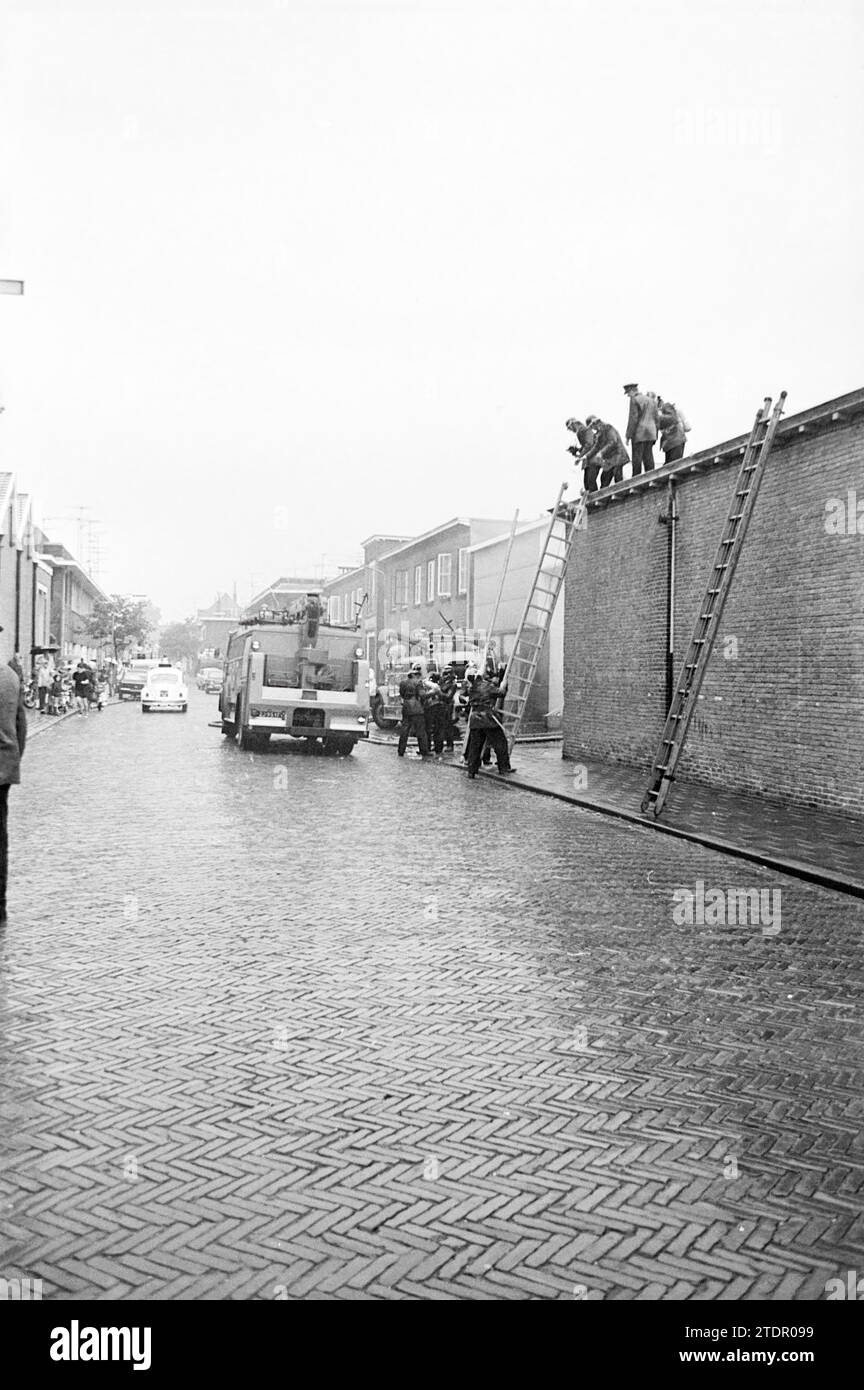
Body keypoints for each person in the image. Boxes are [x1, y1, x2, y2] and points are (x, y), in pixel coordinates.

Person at [0, 659, 27, 923]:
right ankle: (0, 905)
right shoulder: (10, 676)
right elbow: (21, 725)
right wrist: (12, 760)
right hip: (3, 769)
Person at [464, 671, 514, 778]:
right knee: (500, 743)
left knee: (475, 746)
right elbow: (501, 693)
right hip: (487, 718)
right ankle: (503, 768)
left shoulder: (472, 687)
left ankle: (471, 771)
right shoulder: (487, 686)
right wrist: (503, 685)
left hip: (475, 719)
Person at [582, 416, 629, 488]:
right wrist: (586, 456)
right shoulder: (599, 433)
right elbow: (596, 447)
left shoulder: (608, 428)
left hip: (618, 456)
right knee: (604, 478)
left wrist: (601, 452)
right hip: (609, 460)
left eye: (592, 426)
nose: (593, 429)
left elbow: (613, 441)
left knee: (618, 477)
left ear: (596, 423)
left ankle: (622, 492)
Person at [624, 382, 659, 475]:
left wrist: (628, 436)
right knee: (648, 456)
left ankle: (636, 478)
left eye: (628, 393)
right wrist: (656, 434)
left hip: (639, 433)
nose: (628, 395)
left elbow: (633, 419)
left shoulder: (634, 399)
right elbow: (657, 419)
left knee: (637, 457)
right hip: (651, 432)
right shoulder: (651, 400)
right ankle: (651, 474)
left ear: (632, 391)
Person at [397, 663, 430, 758]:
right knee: (420, 731)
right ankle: (424, 751)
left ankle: (401, 750)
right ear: (416, 675)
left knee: (404, 730)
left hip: (406, 707)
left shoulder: (403, 683)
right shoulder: (418, 683)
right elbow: (423, 695)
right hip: (417, 708)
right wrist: (432, 693)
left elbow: (402, 694)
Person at [565, 418, 599, 492]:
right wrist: (576, 450)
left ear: (573, 424)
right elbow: (586, 446)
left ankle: (595, 500)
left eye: (569, 428)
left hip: (593, 459)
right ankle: (591, 500)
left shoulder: (584, 430)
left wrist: (580, 457)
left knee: (590, 482)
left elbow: (589, 444)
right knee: (587, 483)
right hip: (589, 461)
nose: (571, 430)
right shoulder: (581, 431)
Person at [657, 397, 690, 463]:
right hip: (673, 441)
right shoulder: (668, 409)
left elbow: (672, 418)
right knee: (670, 464)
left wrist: (659, 416)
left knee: (673, 464)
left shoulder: (664, 408)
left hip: (674, 441)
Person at [423, 671, 446, 755]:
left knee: (428, 729)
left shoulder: (429, 685)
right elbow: (443, 696)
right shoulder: (439, 686)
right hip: (440, 708)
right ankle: (438, 748)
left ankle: (428, 748)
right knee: (439, 729)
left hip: (431, 708)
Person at [438, 664, 458, 752]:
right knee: (439, 727)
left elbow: (448, 696)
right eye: (445, 674)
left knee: (448, 727)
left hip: (448, 707)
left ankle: (450, 745)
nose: (446, 676)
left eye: (448, 674)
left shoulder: (453, 684)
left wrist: (438, 692)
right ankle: (439, 745)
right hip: (440, 706)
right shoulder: (441, 682)